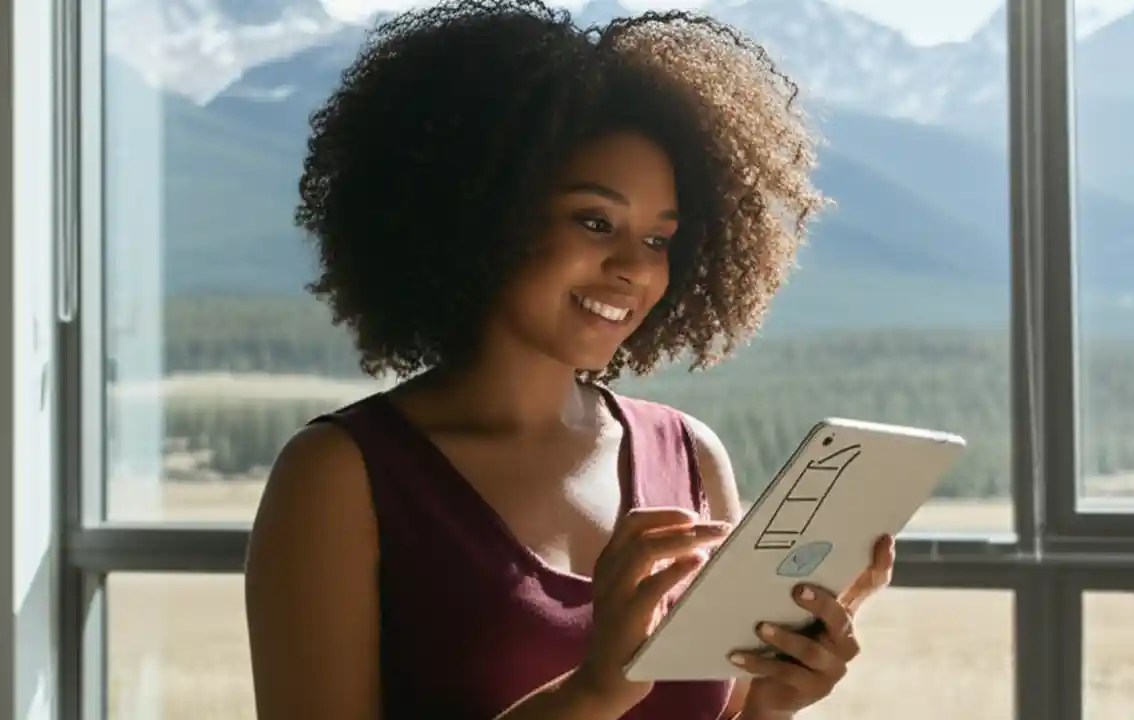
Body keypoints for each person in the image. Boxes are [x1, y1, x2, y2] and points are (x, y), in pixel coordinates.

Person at [244, 1, 896, 718]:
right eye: (594, 221)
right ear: (480, 211)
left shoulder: (689, 457)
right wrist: (594, 693)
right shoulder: (340, 477)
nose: (633, 269)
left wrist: (770, 707)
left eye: (658, 240)